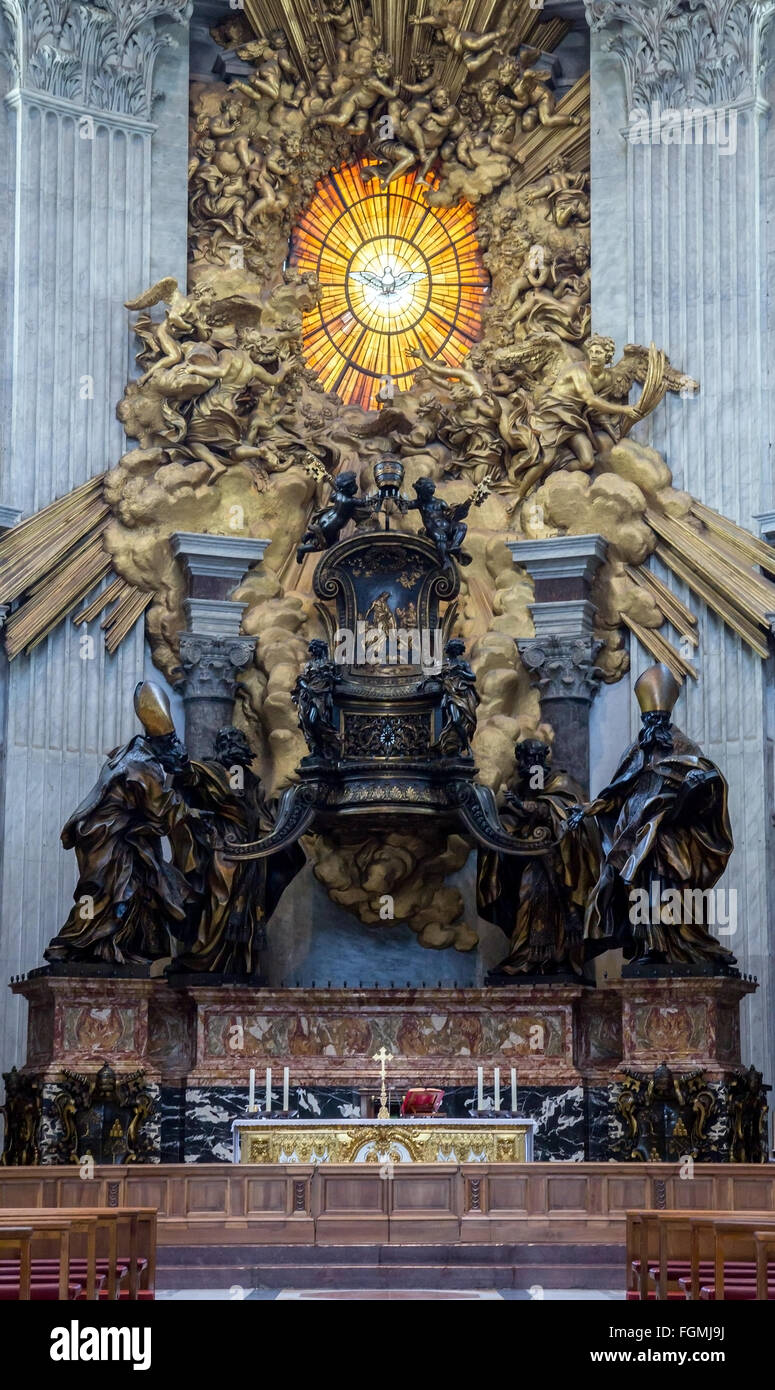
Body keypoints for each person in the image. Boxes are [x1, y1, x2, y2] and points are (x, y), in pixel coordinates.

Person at [567, 663, 737, 971]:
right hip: (633, 835)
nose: (653, 723)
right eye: (648, 718)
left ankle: (688, 945)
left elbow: (708, 786)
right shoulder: (635, 752)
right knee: (640, 890)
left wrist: (696, 789)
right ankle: (652, 946)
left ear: (667, 719)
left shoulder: (684, 747)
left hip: (670, 833)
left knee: (674, 887)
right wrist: (586, 810)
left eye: (658, 718)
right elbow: (614, 795)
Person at [45, 682, 198, 966]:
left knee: (139, 889)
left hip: (112, 836)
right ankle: (71, 943)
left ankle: (120, 947)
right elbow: (163, 811)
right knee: (104, 895)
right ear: (162, 747)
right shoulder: (144, 766)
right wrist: (196, 813)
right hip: (107, 839)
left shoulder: (132, 750)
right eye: (172, 747)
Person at [478, 740, 599, 976]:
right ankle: (525, 957)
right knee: (525, 900)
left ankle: (559, 958)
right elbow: (508, 819)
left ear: (544, 758)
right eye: (526, 759)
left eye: (535, 758)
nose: (531, 764)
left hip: (559, 863)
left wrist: (529, 807)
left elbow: (567, 811)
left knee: (552, 904)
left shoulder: (561, 782)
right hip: (530, 861)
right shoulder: (519, 786)